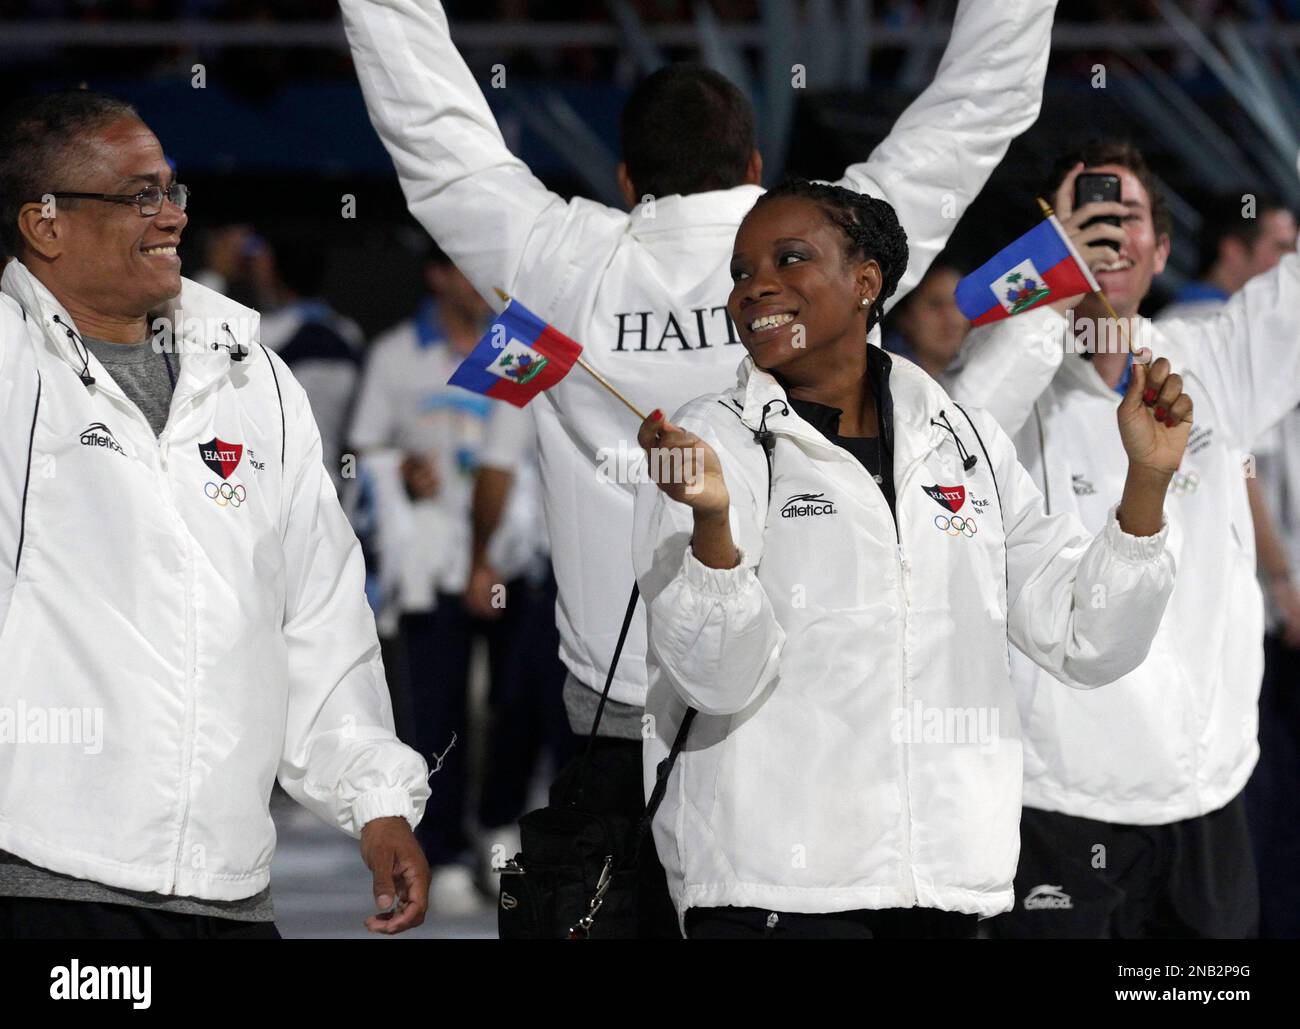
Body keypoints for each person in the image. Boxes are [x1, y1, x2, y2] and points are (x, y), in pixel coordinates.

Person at [340, 0, 1059, 935]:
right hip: (796, 752)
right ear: (755, 170)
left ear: (626, 177)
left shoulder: (559, 260)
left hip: (616, 731)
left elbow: (434, 131)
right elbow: (976, 105)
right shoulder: (837, 249)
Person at [632, 179, 1187, 939]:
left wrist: (1147, 485)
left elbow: (1085, 636)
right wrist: (714, 524)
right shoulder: (710, 443)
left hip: (942, 887)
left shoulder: (967, 442)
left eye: (789, 258)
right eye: (740, 271)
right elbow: (717, 678)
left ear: (867, 282)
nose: (755, 286)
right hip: (772, 888)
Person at [0, 90, 430, 939]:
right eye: (139, 196)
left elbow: (319, 612)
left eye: (172, 192)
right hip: (44, 882)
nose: (171, 219)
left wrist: (377, 801)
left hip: (231, 889)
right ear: (45, 225)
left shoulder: (252, 377)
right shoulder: (11, 369)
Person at [948, 140, 1300, 938]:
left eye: (1127, 217)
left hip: (1206, 791)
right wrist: (1052, 283)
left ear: (1163, 250)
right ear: (1046, 239)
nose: (1108, 233)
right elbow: (954, 446)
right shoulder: (1006, 370)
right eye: (1083, 215)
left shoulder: (1212, 358)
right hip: (1056, 802)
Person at [348, 242, 577, 912]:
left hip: (516, 562)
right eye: (462, 270)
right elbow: (361, 450)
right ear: (436, 275)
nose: (478, 284)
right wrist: (399, 468)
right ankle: (441, 849)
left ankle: (500, 831)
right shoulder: (395, 354)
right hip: (434, 568)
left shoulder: (522, 346)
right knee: (438, 712)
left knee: (521, 707)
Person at [1153, 193, 1300, 939]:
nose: (1285, 267)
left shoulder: (1226, 336)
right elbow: (1241, 471)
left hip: (1248, 622)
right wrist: (1283, 579)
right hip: (1219, 625)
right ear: (1231, 251)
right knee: (1254, 812)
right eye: (1277, 247)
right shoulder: (1194, 334)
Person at [883, 260, 969, 380]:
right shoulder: (885, 378)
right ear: (904, 317)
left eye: (958, 302)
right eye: (936, 304)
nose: (951, 318)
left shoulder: (975, 368)